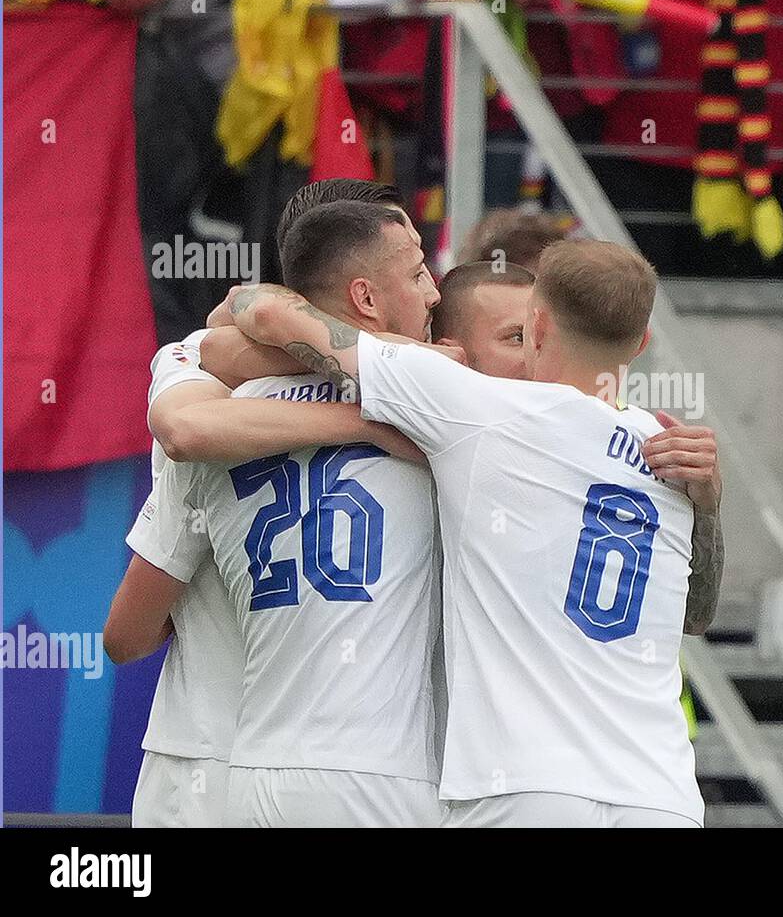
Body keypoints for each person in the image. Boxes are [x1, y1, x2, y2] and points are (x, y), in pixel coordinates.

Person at [208, 231, 717, 826]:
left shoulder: (479, 409)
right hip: (662, 795)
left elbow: (267, 314)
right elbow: (698, 613)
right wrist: (708, 501)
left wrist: (244, 303)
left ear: (540, 328)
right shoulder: (672, 449)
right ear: (643, 342)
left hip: (525, 791)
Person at [103, 178, 425, 827]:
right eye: (416, 269)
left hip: (211, 760)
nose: (431, 286)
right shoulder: (433, 407)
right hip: (351, 769)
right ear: (363, 290)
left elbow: (129, 634)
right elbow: (190, 421)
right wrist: (364, 422)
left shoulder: (219, 388)